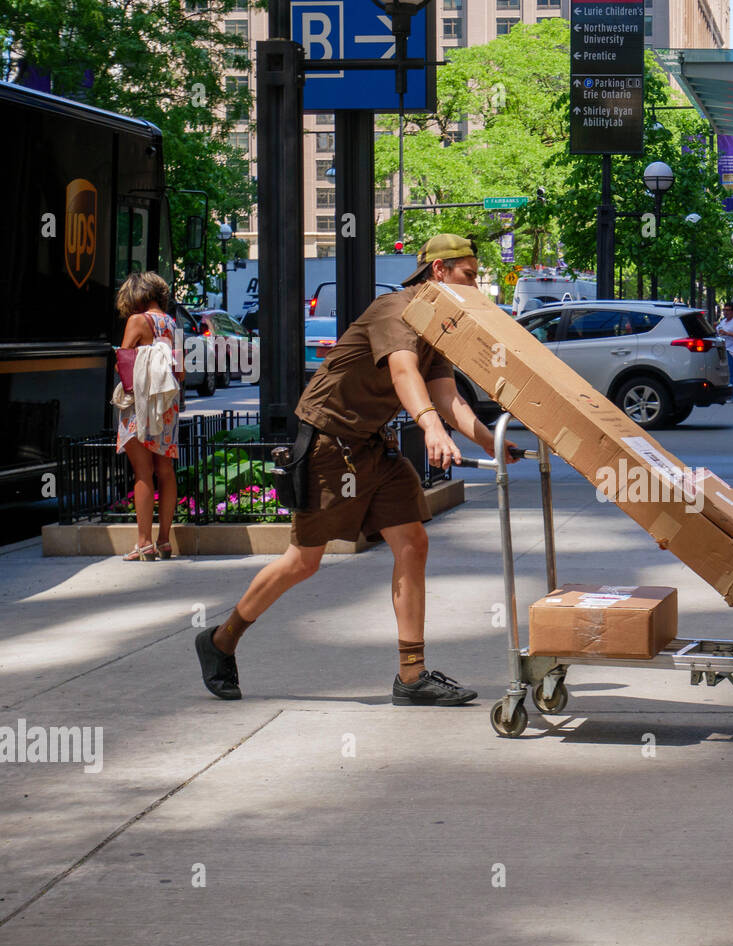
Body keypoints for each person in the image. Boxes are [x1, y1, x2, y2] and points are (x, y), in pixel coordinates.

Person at [195, 234, 517, 707]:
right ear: (439, 272)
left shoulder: (439, 330)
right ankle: (221, 639)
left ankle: (411, 675)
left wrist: (493, 442)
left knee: (413, 541)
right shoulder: (397, 310)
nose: (476, 285)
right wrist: (429, 427)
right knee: (304, 561)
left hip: (371, 444)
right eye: (469, 274)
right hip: (328, 440)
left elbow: (446, 394)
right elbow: (404, 373)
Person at [114, 272, 183, 561]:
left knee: (142, 473)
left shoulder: (137, 321)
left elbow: (124, 360)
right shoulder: (172, 323)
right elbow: (179, 369)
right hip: (168, 404)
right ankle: (164, 541)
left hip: (140, 405)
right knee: (165, 472)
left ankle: (143, 543)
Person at [715, 301, 733, 402]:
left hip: (732, 350)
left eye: (728, 310)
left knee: (732, 374)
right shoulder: (723, 321)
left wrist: (727, 333)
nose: (725, 312)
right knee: (725, 375)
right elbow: (719, 331)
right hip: (723, 349)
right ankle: (728, 395)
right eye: (724, 310)